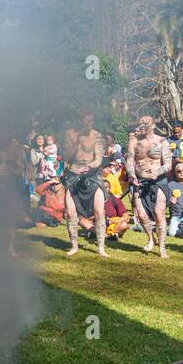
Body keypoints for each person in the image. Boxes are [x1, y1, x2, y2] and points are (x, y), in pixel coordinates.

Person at [62, 109, 109, 258]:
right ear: (79, 121)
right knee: (70, 213)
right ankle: (74, 246)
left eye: (91, 121)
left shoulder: (97, 136)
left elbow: (98, 158)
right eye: (86, 121)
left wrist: (90, 166)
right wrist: (74, 143)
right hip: (73, 176)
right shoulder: (70, 134)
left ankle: (101, 247)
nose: (89, 124)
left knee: (99, 212)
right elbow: (66, 157)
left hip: (92, 175)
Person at [125, 115, 171, 256]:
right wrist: (132, 175)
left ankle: (162, 248)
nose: (142, 126)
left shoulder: (162, 141)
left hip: (159, 181)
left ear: (153, 125)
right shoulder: (134, 142)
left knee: (159, 213)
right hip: (140, 181)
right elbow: (129, 161)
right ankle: (151, 239)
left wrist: (158, 172)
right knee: (143, 216)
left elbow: (168, 164)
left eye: (146, 123)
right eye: (140, 124)